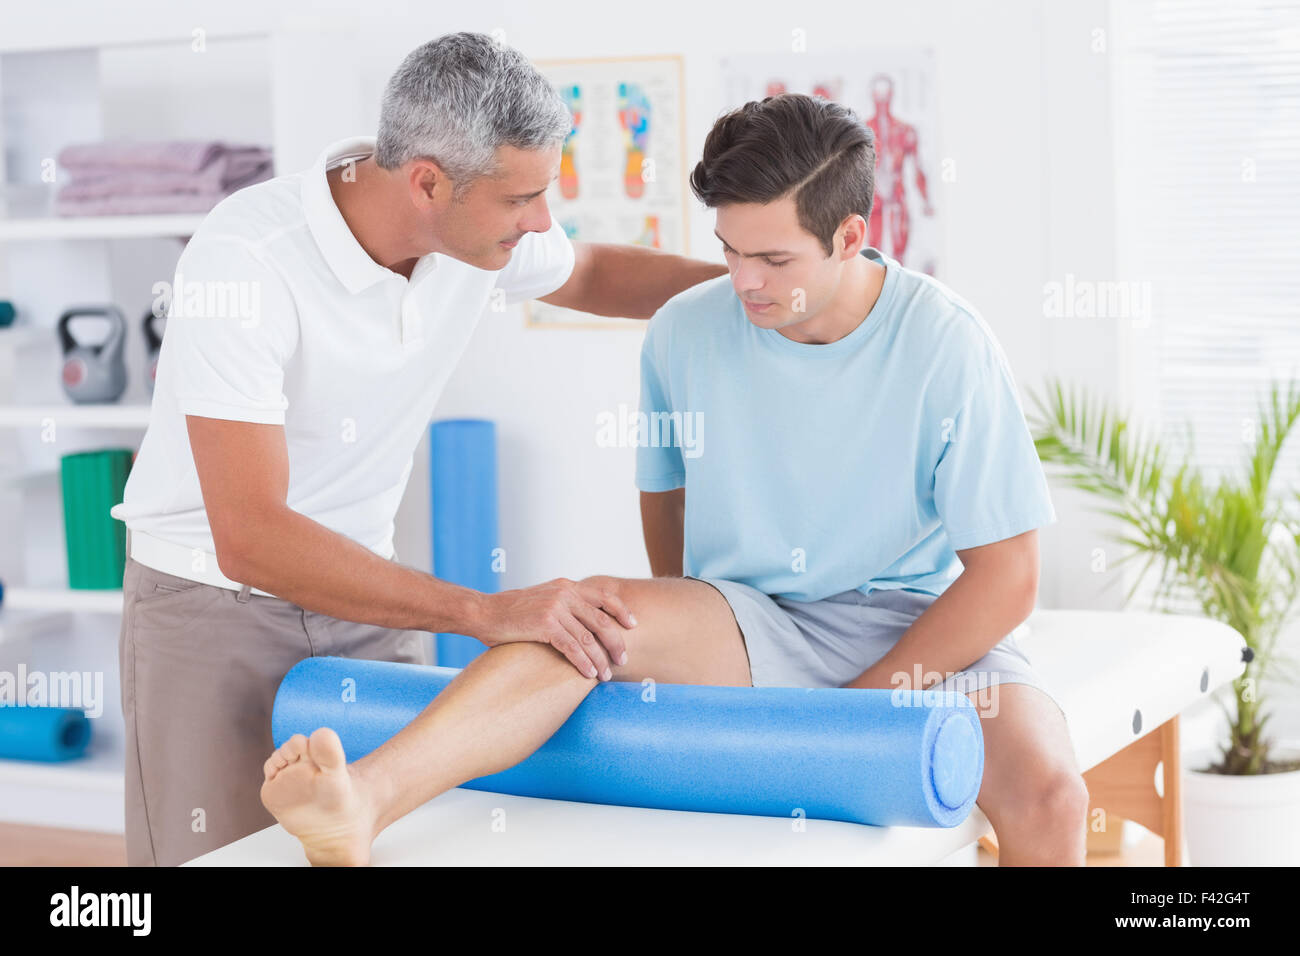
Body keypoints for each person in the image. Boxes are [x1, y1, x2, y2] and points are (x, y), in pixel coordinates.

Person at [259, 92, 1090, 867]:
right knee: (584, 617)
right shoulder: (685, 332)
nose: (744, 282)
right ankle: (365, 799)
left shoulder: (947, 343)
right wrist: (688, 623)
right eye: (729, 251)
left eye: (772, 257)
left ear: (847, 236)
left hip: (922, 622)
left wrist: (862, 705)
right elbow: (667, 502)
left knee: (1051, 795)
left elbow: (1009, 578)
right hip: (757, 616)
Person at [111, 31, 727, 866]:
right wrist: (484, 611)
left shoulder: (471, 234)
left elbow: (593, 273)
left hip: (369, 601)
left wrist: (758, 287)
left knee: (382, 840)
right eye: (522, 200)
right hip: (213, 609)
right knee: (221, 856)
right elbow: (250, 534)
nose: (541, 220)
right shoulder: (248, 260)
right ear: (428, 181)